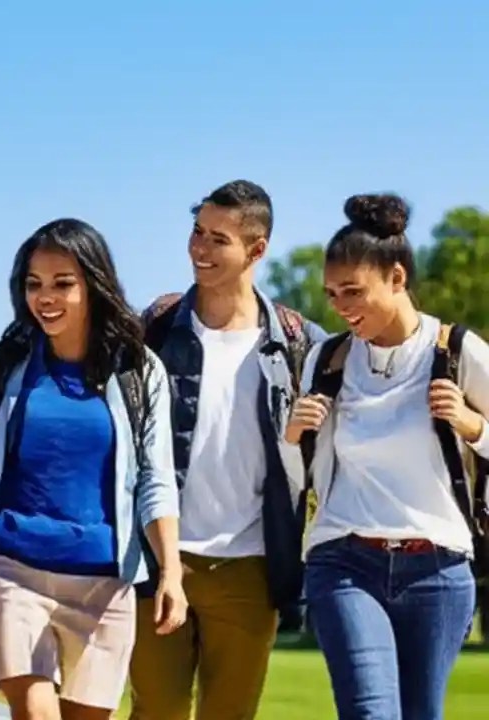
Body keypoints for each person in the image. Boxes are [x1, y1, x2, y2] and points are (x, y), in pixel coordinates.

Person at [0, 218, 187, 720]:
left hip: (103, 583)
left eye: (63, 283)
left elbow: (155, 477)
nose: (46, 297)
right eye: (34, 284)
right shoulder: (5, 364)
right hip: (13, 570)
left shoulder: (137, 369)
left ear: (93, 284)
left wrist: (170, 571)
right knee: (39, 712)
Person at [130, 180, 326, 719]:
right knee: (158, 709)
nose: (199, 248)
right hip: (157, 556)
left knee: (230, 713)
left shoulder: (298, 342)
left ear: (256, 250)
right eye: (197, 232)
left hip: (250, 566)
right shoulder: (158, 327)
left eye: (218, 239)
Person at [286, 193, 482, 720]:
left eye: (354, 291)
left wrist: (472, 426)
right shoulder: (329, 359)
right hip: (345, 561)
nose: (341, 307)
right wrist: (293, 437)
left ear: (397, 278)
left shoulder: (458, 352)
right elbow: (304, 478)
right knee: (371, 713)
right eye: (332, 295)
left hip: (437, 570)